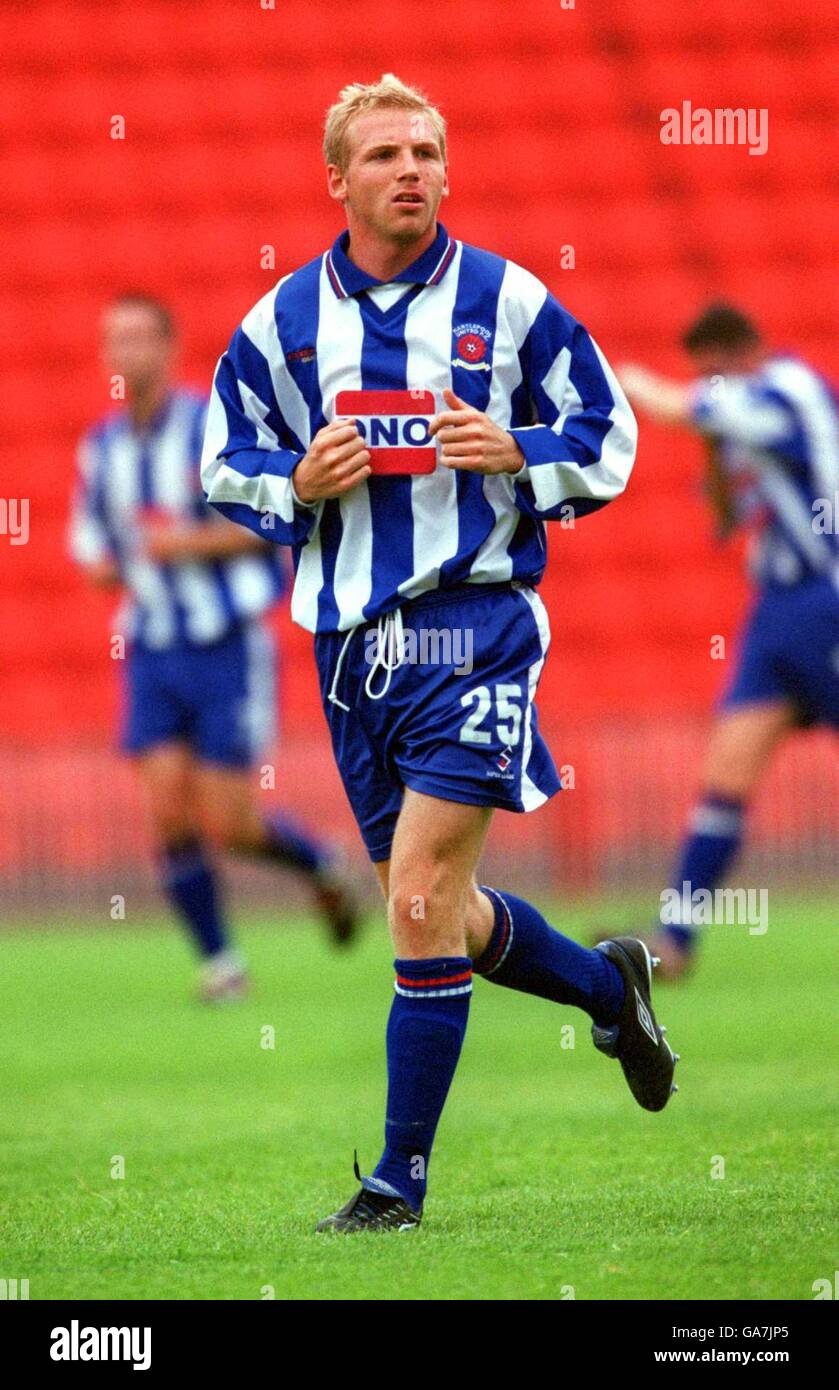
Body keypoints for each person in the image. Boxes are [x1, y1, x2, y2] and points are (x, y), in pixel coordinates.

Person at [201, 73, 678, 1231]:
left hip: (475, 629)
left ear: (446, 171)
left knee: (415, 902)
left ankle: (394, 1185)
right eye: (382, 155)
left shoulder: (508, 302)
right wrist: (291, 483)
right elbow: (225, 463)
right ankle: (602, 984)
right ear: (337, 180)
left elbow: (606, 437)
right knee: (441, 909)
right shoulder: (281, 325)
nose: (409, 169)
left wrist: (516, 449)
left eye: (424, 151)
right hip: (351, 652)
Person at [70, 293, 359, 1003]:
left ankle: (319, 864)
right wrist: (105, 565)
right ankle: (221, 964)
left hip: (226, 644)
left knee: (230, 823)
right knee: (166, 810)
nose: (127, 353)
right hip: (152, 648)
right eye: (115, 340)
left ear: (168, 348)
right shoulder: (100, 447)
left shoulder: (210, 429)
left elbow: (278, 516)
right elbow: (91, 541)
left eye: (140, 338)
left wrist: (185, 544)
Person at [619, 302, 839, 979]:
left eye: (713, 373)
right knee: (724, 776)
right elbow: (725, 514)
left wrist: (633, 385)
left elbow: (673, 405)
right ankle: (675, 940)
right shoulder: (744, 419)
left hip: (826, 599)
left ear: (740, 353)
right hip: (777, 615)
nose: (710, 387)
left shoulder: (790, 389)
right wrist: (711, 450)